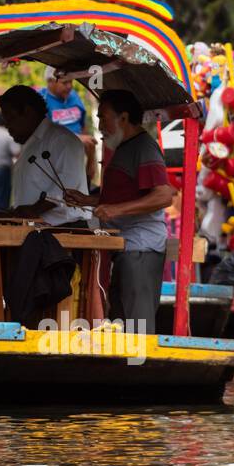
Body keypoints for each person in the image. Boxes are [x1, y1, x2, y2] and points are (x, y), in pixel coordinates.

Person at [63, 89, 175, 333]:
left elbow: (165, 195)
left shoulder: (143, 147)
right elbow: (123, 197)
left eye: (104, 118)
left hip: (142, 250)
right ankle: (126, 368)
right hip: (124, 249)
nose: (100, 125)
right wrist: (88, 200)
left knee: (139, 328)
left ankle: (141, 369)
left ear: (123, 119)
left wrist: (115, 210)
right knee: (121, 323)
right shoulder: (123, 148)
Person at [0, 85, 90, 225]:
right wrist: (13, 212)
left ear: (28, 112)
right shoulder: (29, 144)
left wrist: (32, 210)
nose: (6, 125)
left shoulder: (63, 140)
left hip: (65, 230)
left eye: (10, 118)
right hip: (38, 229)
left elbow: (67, 187)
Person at [41, 66, 97, 184]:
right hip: (54, 164)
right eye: (65, 82)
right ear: (50, 81)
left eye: (71, 81)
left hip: (76, 160)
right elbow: (43, 135)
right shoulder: (41, 100)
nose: (69, 86)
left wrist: (91, 161)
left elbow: (82, 127)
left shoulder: (74, 96)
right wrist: (76, 139)